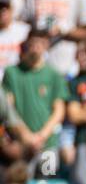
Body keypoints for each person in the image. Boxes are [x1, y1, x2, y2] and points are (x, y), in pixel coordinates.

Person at [3, 30, 67, 158]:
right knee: (20, 177)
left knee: (48, 176)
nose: (36, 47)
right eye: (33, 43)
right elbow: (8, 108)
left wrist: (42, 136)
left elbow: (59, 110)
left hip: (48, 144)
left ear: (46, 46)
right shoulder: (12, 72)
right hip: (20, 143)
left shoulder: (54, 75)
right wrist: (26, 136)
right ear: (26, 44)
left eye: (41, 43)